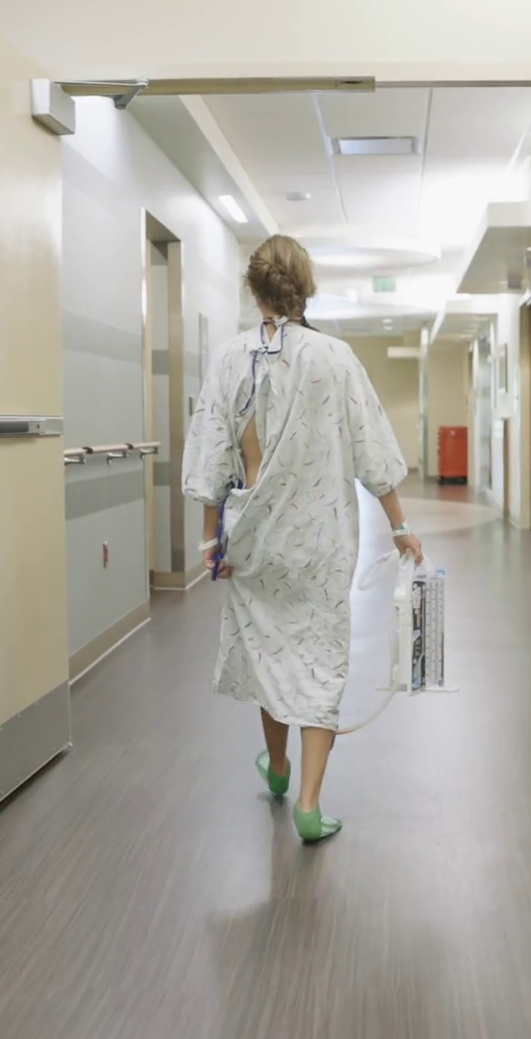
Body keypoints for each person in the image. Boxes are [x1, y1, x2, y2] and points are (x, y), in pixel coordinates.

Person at [182, 235, 424, 843]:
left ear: (253, 288)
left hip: (253, 537)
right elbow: (373, 451)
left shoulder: (231, 359)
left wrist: (214, 543)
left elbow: (212, 456)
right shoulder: (336, 358)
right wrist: (399, 527)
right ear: (304, 285)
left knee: (270, 652)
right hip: (320, 539)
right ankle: (311, 806)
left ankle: (280, 766)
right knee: (319, 658)